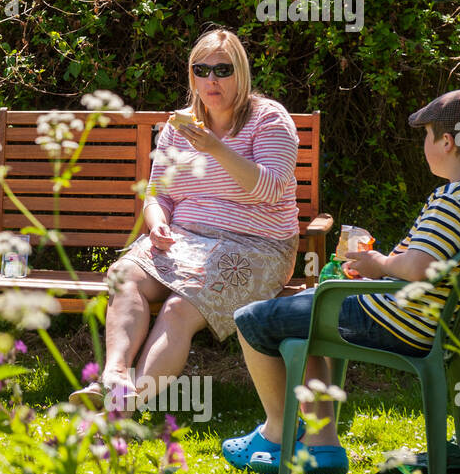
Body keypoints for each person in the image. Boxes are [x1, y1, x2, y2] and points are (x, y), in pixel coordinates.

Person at [224, 89, 460, 474]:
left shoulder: (453, 199)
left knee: (250, 319)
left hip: (395, 321)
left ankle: (276, 433)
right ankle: (322, 445)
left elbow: (419, 267)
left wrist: (379, 264)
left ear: (447, 142)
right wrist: (380, 268)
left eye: (426, 136)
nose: (424, 144)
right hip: (439, 324)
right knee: (299, 323)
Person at [69, 28, 301, 411]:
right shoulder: (181, 127)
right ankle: (113, 376)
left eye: (223, 70)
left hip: (257, 247)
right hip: (186, 238)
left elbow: (271, 188)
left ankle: (117, 411)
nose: (212, 79)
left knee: (178, 309)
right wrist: (157, 219)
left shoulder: (269, 119)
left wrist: (215, 147)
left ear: (241, 72)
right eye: (202, 69)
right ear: (191, 75)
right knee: (124, 277)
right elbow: (158, 192)